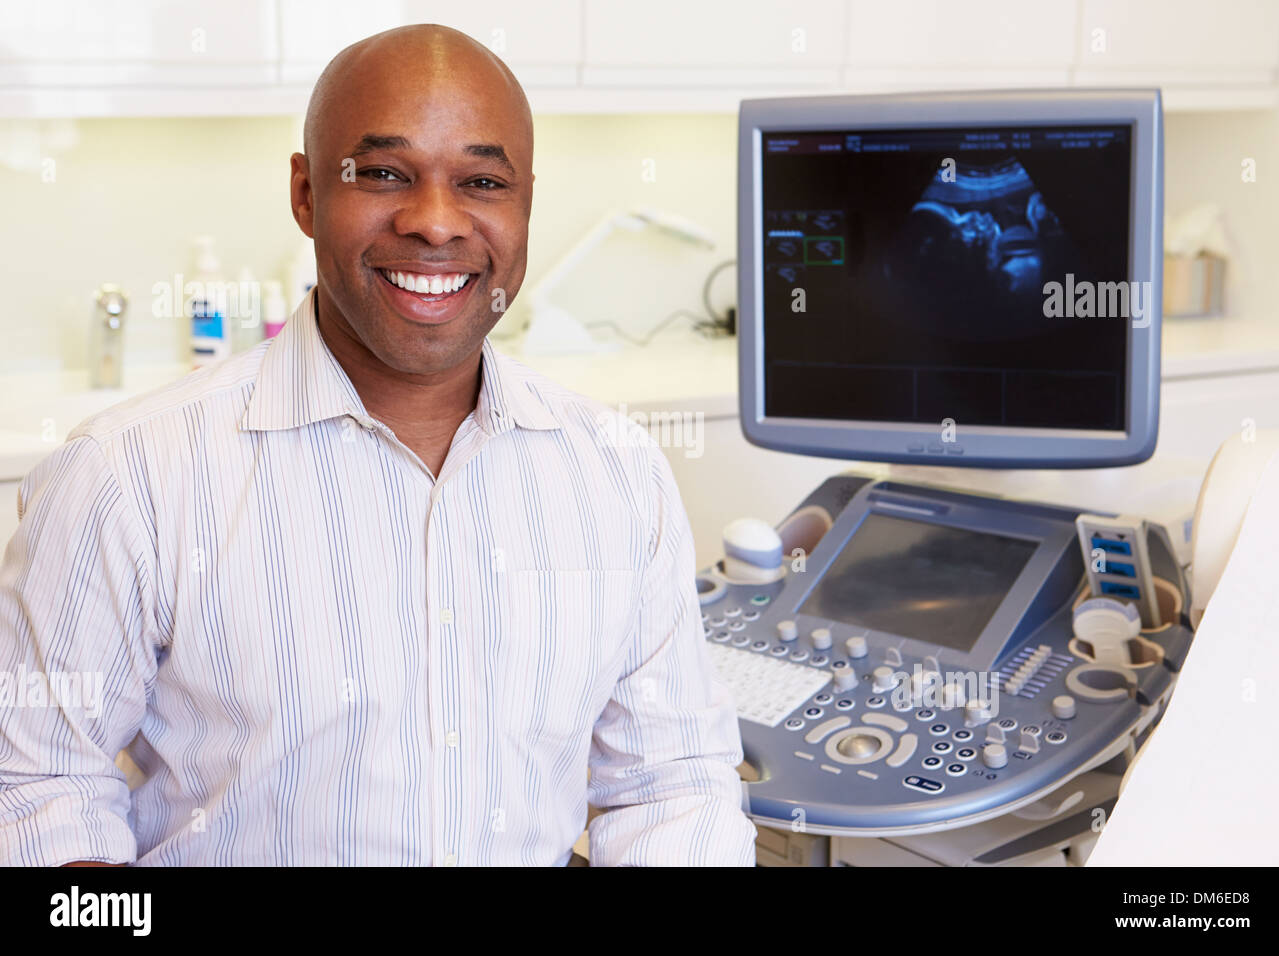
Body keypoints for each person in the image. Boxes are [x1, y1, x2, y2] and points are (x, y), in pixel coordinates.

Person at [0, 24, 755, 866]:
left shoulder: (619, 475)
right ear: (306, 193)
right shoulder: (126, 475)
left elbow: (672, 783)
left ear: (525, 203)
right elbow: (36, 787)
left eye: (481, 180)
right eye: (385, 173)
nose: (435, 223)